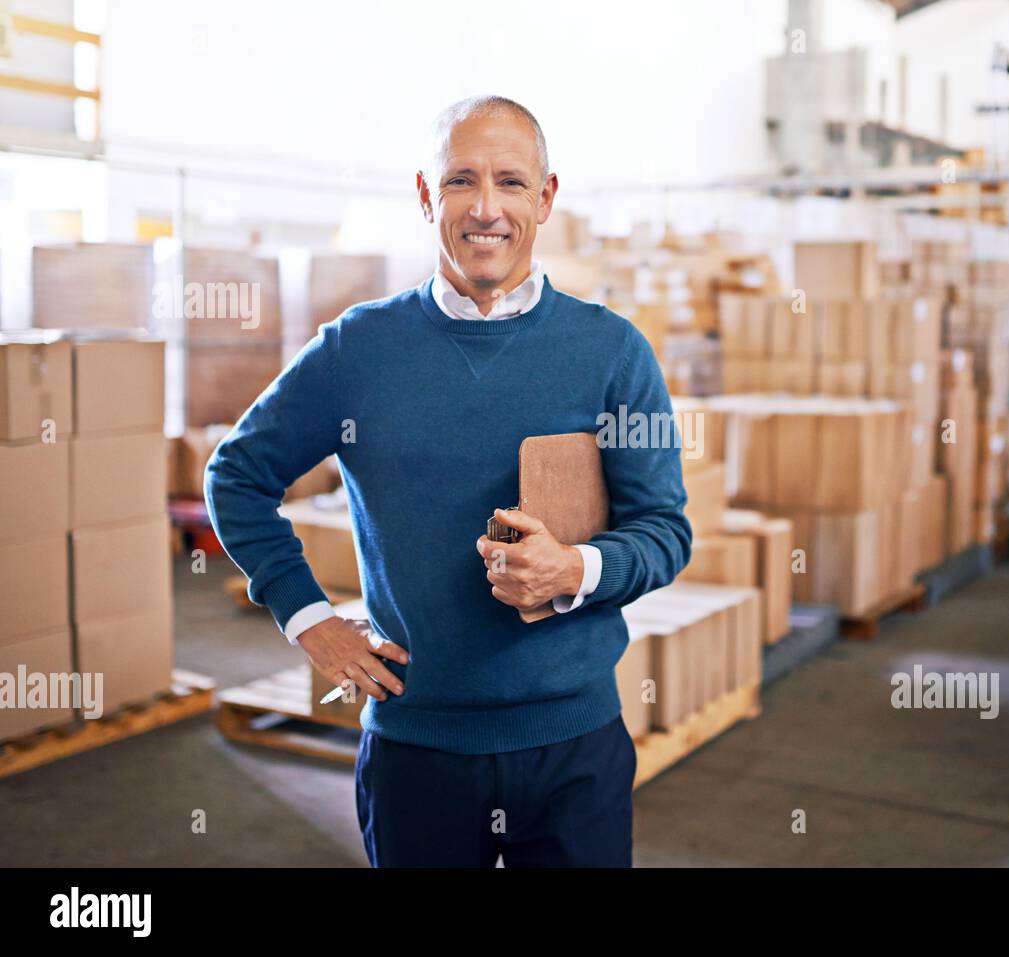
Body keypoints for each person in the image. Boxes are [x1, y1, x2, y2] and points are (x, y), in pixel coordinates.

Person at [205, 95, 692, 867]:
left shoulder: (613, 353)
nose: (487, 208)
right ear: (427, 196)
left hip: (574, 749)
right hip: (417, 749)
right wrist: (309, 620)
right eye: (462, 180)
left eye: (510, 181)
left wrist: (575, 567)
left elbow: (666, 530)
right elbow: (235, 474)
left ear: (547, 197)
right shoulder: (358, 351)